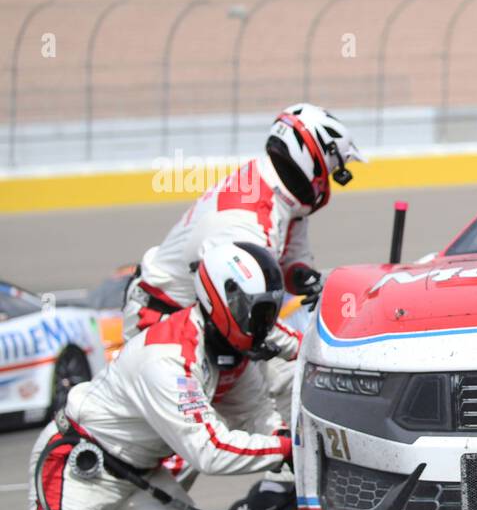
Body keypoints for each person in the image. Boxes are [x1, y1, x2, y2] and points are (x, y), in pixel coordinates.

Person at [0, 243, 294, 510]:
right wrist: (287, 448)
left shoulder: (230, 354)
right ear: (222, 299)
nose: (262, 324)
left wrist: (299, 452)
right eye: (255, 311)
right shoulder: (167, 357)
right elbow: (210, 451)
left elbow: (260, 419)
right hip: (78, 465)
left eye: (268, 311)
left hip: (139, 475)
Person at [122, 103, 365, 356]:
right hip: (165, 322)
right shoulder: (248, 221)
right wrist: (314, 350)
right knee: (298, 371)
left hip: (205, 322)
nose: (329, 181)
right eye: (332, 171)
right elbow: (246, 318)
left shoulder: (277, 191)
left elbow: (289, 258)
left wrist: (305, 278)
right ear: (314, 158)